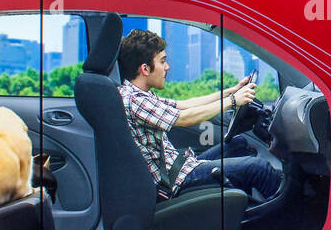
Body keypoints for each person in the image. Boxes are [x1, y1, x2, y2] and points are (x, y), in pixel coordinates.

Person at [117, 29, 282, 213]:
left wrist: (231, 91)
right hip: (176, 180)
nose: (167, 67)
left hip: (180, 166)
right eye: (162, 61)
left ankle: (241, 212)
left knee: (239, 143)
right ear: (145, 68)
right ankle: (285, 223)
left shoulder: (141, 95)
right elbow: (183, 118)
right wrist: (233, 102)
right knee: (259, 168)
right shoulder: (135, 101)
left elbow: (184, 105)